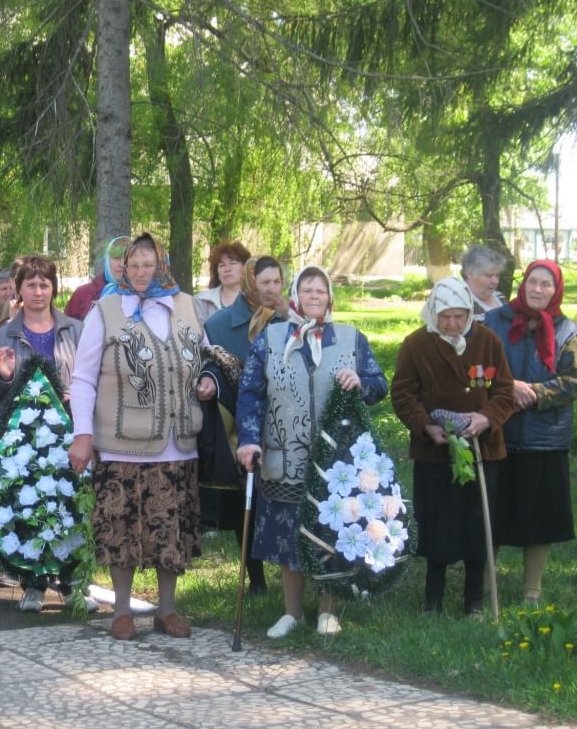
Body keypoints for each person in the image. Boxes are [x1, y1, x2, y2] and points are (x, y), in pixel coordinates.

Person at [69, 233, 218, 640]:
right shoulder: (105, 310)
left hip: (177, 442)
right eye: (132, 265)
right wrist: (82, 434)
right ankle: (121, 610)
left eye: (148, 265)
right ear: (120, 267)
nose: (139, 272)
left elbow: (208, 360)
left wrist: (207, 381)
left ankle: (166, 610)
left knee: (169, 529)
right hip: (120, 442)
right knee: (122, 527)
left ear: (162, 265)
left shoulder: (185, 305)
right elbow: (82, 377)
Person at [236, 265, 387, 638]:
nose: (314, 296)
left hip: (336, 462)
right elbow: (250, 392)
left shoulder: (352, 339)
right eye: (307, 290)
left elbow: (379, 384)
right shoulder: (271, 339)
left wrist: (360, 383)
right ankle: (292, 612)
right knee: (289, 534)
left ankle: (328, 610)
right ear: (295, 297)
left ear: (330, 297)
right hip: (285, 456)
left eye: (320, 290)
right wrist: (249, 439)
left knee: (332, 530)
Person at [391, 278, 514, 616]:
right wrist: (426, 426)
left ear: (470, 313)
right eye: (445, 316)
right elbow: (403, 393)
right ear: (433, 313)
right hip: (435, 452)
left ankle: (474, 601)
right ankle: (434, 599)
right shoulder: (416, 344)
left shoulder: (487, 341)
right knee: (438, 524)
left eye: (460, 316)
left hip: (482, 449)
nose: (453, 324)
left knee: (478, 523)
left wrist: (486, 418)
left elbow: (503, 391)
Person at [0, 255, 84, 611]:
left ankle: (72, 581)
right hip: (19, 440)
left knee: (67, 503)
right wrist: (5, 375)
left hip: (66, 434)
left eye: (44, 284)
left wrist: (77, 394)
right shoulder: (3, 332)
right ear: (19, 290)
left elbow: (89, 378)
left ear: (53, 288)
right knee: (26, 505)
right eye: (31, 285)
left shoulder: (75, 328)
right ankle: (34, 583)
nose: (38, 291)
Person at [484, 261, 576, 605]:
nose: (538, 290)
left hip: (546, 440)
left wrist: (534, 393)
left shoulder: (569, 331)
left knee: (541, 520)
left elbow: (573, 381)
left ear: (556, 290)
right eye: (533, 282)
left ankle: (532, 592)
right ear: (523, 285)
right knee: (493, 515)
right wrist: (510, 387)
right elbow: (476, 369)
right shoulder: (494, 322)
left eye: (546, 285)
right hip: (498, 433)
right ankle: (484, 588)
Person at [202, 256, 286, 595]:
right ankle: (256, 579)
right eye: (263, 282)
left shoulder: (291, 318)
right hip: (243, 421)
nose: (270, 289)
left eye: (276, 282)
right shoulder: (220, 324)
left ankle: (290, 571)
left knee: (284, 495)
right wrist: (210, 380)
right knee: (246, 498)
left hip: (286, 419)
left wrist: (287, 316)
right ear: (251, 284)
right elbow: (209, 363)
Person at [63, 236, 130, 321]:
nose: (121, 264)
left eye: (127, 258)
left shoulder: (141, 295)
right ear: (107, 259)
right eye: (116, 258)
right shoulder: (82, 294)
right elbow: (67, 329)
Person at [194, 240, 251, 324]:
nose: (227, 269)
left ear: (245, 267)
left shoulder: (256, 300)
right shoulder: (202, 300)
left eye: (233, 263)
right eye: (222, 265)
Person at [460, 245, 507, 320]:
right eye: (489, 275)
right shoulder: (462, 304)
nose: (496, 281)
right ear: (470, 273)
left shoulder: (500, 297)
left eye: (497, 275)